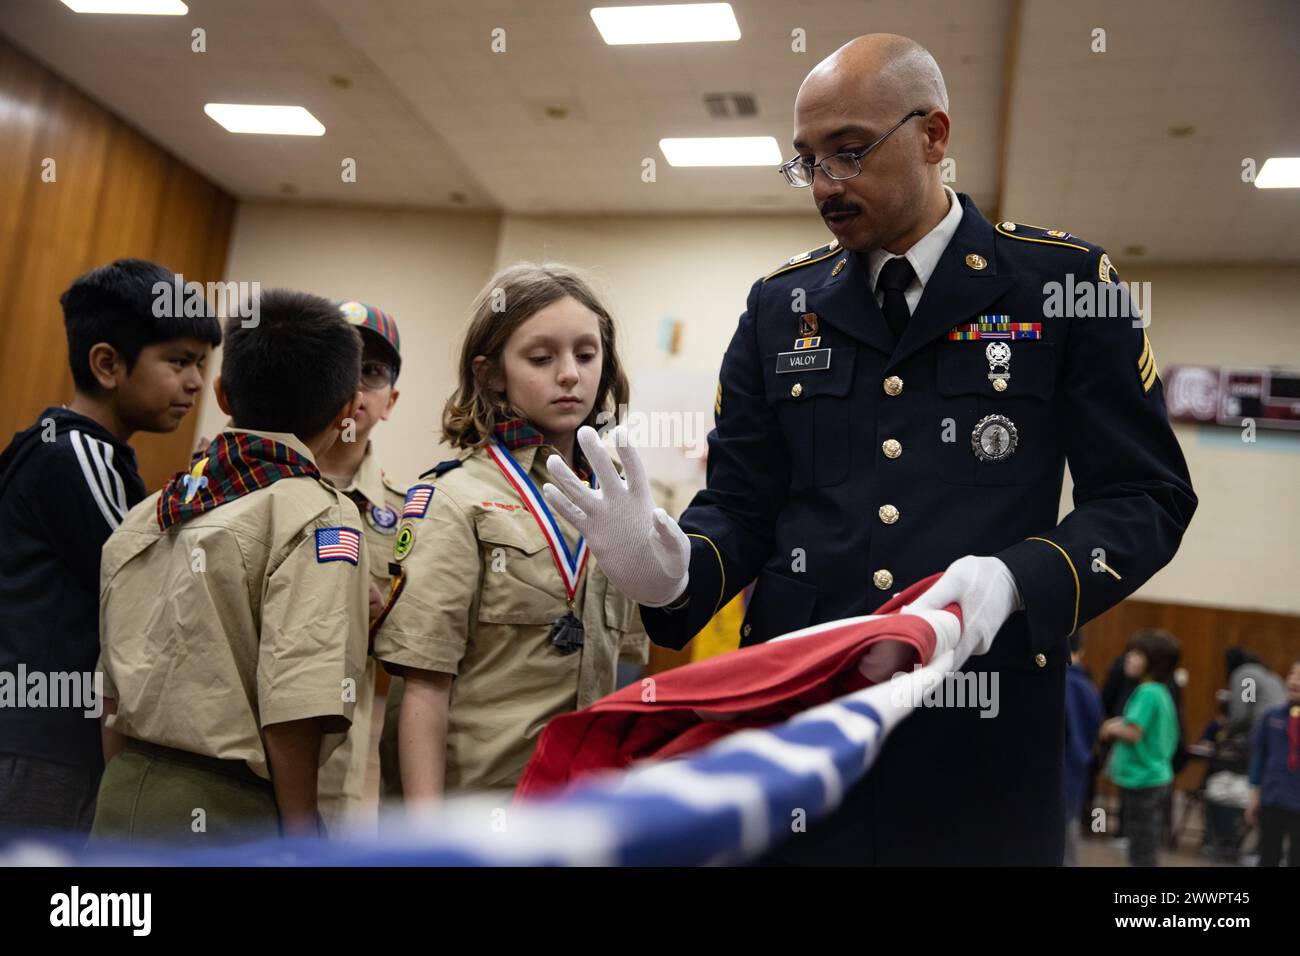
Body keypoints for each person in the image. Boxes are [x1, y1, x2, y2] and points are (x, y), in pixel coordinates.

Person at [542, 33, 1196, 864]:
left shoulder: (1059, 284)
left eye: (849, 153)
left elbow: (1146, 497)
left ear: (934, 136)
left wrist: (1018, 576)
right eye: (805, 160)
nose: (823, 185)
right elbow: (741, 505)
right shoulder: (781, 307)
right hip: (798, 730)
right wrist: (671, 568)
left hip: (981, 728)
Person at [92, 290, 369, 844]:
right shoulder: (321, 514)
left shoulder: (151, 510)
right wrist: (299, 838)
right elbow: (298, 698)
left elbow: (110, 693)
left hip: (119, 798)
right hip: (229, 813)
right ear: (347, 413)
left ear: (220, 393)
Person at [373, 263, 644, 799]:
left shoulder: (618, 503)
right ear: (491, 373)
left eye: (587, 355)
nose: (569, 374)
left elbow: (629, 668)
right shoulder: (453, 499)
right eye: (541, 358)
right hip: (477, 809)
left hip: (583, 804)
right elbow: (424, 685)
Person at [0, 258, 219, 833]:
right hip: (38, 744)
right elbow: (150, 584)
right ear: (107, 364)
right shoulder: (75, 455)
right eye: (179, 361)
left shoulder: (95, 456)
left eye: (202, 363)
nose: (196, 382)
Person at [314, 301, 408, 832]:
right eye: (340, 363)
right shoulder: (250, 487)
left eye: (371, 372)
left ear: (390, 400)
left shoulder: (407, 514)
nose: (354, 385)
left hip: (337, 764)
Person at [1100, 630, 1182, 866]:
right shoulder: (1161, 691)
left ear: (1153, 661)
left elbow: (1134, 732)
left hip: (1144, 778)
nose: (1129, 658)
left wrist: (1111, 728)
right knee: (1145, 843)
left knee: (1141, 848)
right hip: (1155, 777)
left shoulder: (1146, 691)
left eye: (1136, 654)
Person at [1246, 658, 1300, 866]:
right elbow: (1258, 760)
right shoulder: (1272, 717)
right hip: (1273, 798)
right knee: (1268, 855)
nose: (1295, 681)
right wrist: (1254, 796)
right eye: (1292, 675)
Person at [1064, 634, 1103, 865]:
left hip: (1056, 769)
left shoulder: (1059, 683)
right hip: (1079, 769)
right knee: (1069, 833)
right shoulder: (1089, 687)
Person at [1225, 646, 1287, 735]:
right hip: (1280, 731)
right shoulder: (1272, 675)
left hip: (1262, 732)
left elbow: (1240, 716)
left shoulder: (1245, 674)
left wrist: (1227, 733)